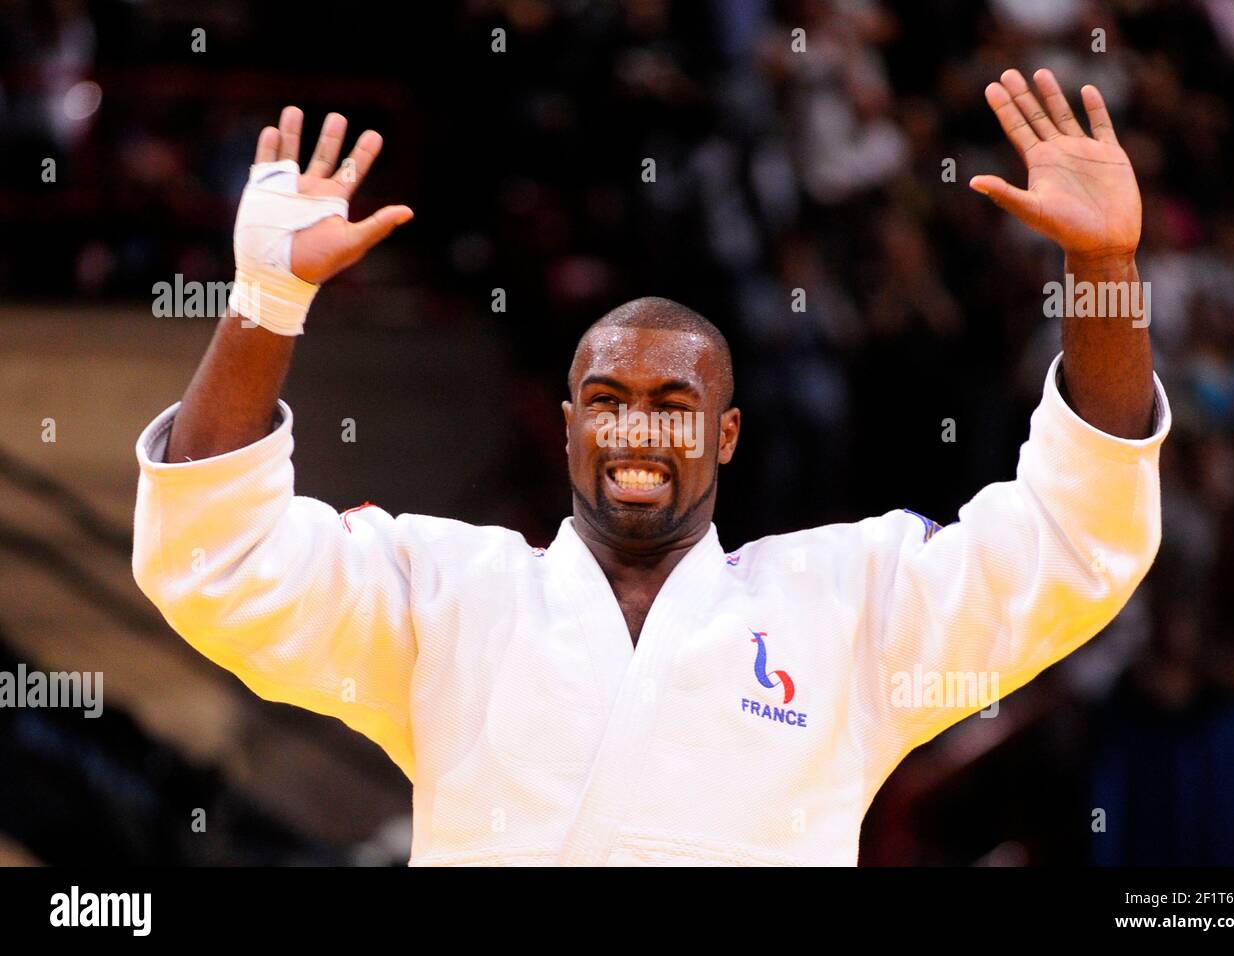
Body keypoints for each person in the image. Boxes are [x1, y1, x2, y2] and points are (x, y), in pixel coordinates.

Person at [132, 69, 1170, 865]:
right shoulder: (445, 594)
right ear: (571, 425)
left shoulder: (846, 604)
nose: (638, 430)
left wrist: (1102, 270)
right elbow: (217, 555)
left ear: (724, 435)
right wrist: (265, 302)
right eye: (610, 403)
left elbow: (1078, 536)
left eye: (675, 405)